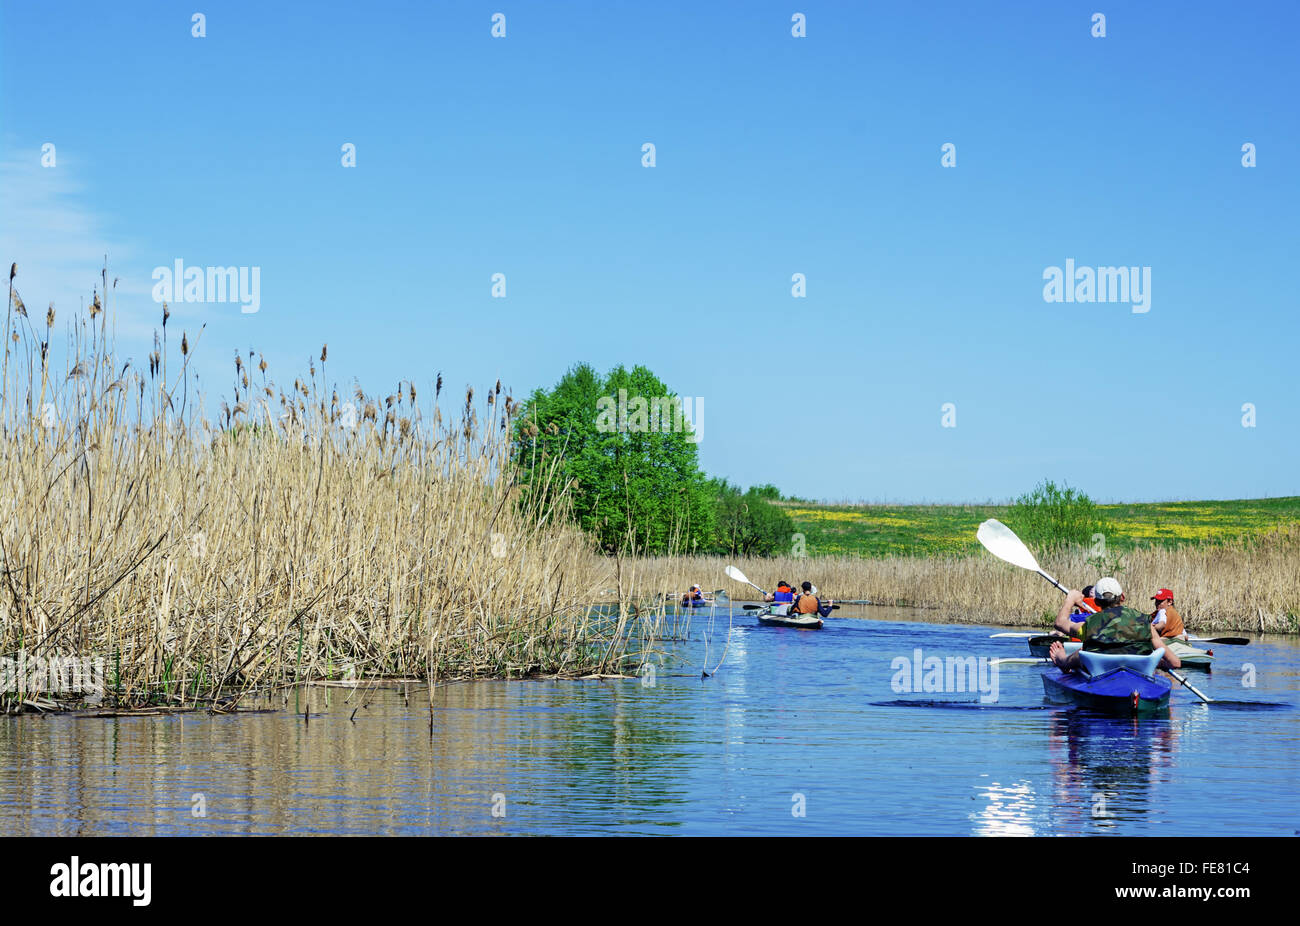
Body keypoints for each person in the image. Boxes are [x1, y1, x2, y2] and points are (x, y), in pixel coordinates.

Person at [1048, 577, 1181, 672]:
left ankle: (1063, 661)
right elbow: (1175, 663)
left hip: (1099, 668)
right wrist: (1154, 663)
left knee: (1083, 651)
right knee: (1084, 650)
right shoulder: (1145, 623)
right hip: (1137, 670)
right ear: (1122, 597)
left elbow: (1060, 623)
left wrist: (1070, 599)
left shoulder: (1090, 625)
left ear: (1097, 602)